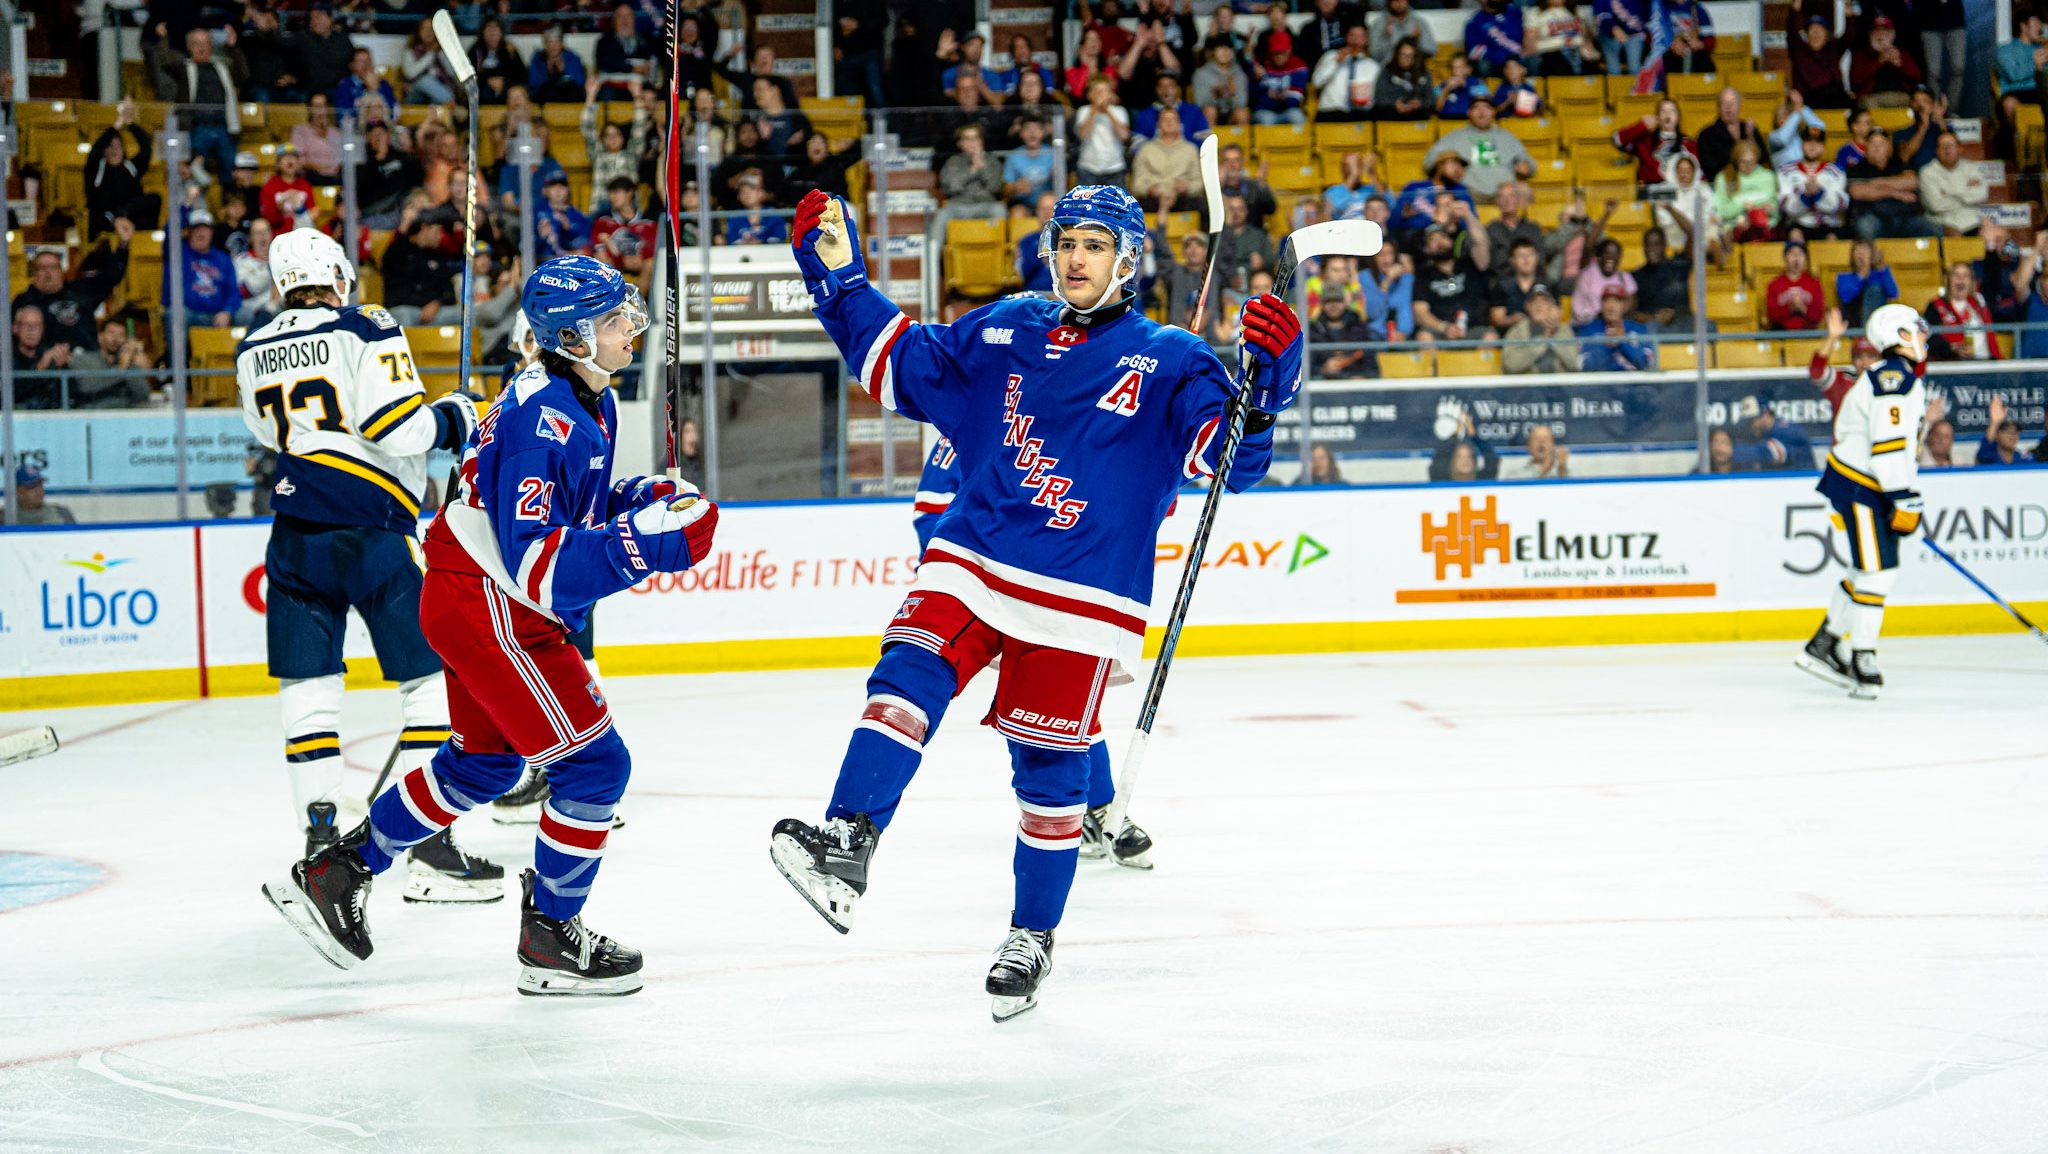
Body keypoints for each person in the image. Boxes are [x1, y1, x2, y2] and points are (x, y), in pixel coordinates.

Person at [771, 183, 1302, 1021]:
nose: (1075, 259)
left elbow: (1231, 463)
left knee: (1049, 771)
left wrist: (1267, 388)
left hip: (1082, 594)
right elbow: (903, 364)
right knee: (904, 675)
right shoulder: (1006, 326)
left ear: (1129, 260)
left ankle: (1031, 935)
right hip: (973, 554)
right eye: (1066, 243)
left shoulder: (1175, 358)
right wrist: (839, 281)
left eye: (1095, 245)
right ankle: (847, 839)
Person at [264, 253, 716, 996]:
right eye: (613, 321)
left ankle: (337, 871)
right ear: (571, 338)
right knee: (596, 768)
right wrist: (647, 547)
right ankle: (550, 938)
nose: (631, 330)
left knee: (486, 763)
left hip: (468, 595)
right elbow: (539, 565)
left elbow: (569, 506)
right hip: (494, 605)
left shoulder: (582, 397)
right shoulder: (545, 419)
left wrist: (635, 497)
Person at [235, 227, 505, 911]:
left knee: (308, 691)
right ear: (337, 274)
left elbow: (267, 434)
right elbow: (397, 426)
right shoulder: (366, 324)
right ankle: (428, 844)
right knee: (431, 684)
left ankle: (321, 841)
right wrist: (455, 417)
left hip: (293, 534)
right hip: (372, 532)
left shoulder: (251, 344)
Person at [1797, 303, 1928, 697]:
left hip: (1861, 484)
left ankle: (1824, 645)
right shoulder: (1894, 381)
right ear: (1901, 335)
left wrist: (1900, 495)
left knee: (1865, 569)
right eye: (1917, 329)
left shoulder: (1894, 377)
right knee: (1879, 573)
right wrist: (1904, 499)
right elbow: (1887, 450)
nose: (1924, 336)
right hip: (1863, 487)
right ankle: (1862, 656)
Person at [1425, 93, 1535, 202]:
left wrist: (1527, 167)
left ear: (1494, 112)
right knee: (1449, 194)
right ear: (1469, 113)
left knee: (1524, 189)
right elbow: (1429, 160)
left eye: (1487, 107)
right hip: (1470, 191)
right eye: (1476, 107)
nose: (1481, 112)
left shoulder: (1507, 136)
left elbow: (1529, 162)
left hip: (1505, 191)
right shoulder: (1455, 136)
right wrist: (1445, 167)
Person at [85, 99, 159, 237]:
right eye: (110, 146)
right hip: (105, 220)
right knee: (98, 217)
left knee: (154, 199)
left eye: (118, 146)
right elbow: (95, 151)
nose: (114, 150)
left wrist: (130, 123)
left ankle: (144, 238)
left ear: (123, 150)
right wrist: (117, 125)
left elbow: (146, 148)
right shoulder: (96, 168)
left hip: (128, 216)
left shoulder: (131, 167)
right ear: (104, 150)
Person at [1412, 218, 1493, 343]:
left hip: (1473, 329)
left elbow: (1480, 241)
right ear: (1427, 249)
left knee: (1490, 337)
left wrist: (1466, 214)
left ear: (1452, 241)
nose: (1440, 242)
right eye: (1433, 240)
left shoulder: (1470, 264)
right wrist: (1444, 327)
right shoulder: (1423, 275)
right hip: (1440, 331)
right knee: (1424, 337)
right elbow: (1420, 312)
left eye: (1443, 237)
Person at [1846, 132, 1937, 242]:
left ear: (1889, 148)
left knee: (1934, 228)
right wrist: (1896, 193)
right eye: (1872, 144)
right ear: (1866, 148)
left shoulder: (1898, 163)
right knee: (1865, 226)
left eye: (1881, 144)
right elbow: (1857, 191)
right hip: (1875, 218)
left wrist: (1874, 183)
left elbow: (1912, 182)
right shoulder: (1856, 168)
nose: (1877, 147)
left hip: (1906, 217)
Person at [1776, 125, 1849, 238]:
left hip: (1829, 224)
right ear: (1801, 144)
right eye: (1808, 141)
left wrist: (1819, 193)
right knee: (1795, 235)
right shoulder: (1786, 171)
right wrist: (1804, 196)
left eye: (1817, 142)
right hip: (1798, 224)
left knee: (1832, 238)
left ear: (1823, 146)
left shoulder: (1836, 171)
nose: (1812, 145)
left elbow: (1840, 205)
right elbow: (1786, 208)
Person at [1129, 108, 1203, 213]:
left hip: (1182, 198)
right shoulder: (1145, 149)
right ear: (1158, 125)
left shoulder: (1190, 149)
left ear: (1179, 124)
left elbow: (1199, 183)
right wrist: (1149, 189)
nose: (1169, 122)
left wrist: (1187, 187)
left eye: (1173, 119)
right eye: (1165, 119)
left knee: (1200, 205)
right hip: (1152, 198)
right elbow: (1137, 184)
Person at [1811, 307, 1883, 414]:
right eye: (1859, 357)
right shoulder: (1842, 380)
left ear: (1880, 359)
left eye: (1870, 357)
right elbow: (1816, 371)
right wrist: (1832, 338)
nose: (1865, 363)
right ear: (1853, 360)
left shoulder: (1889, 382)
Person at [1612, 99, 1697, 189]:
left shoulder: (1689, 143)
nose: (1667, 114)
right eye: (1663, 111)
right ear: (1657, 117)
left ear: (1678, 117)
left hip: (1681, 191)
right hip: (1651, 191)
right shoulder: (1645, 141)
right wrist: (1641, 125)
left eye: (1672, 111)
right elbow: (1618, 140)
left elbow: (1698, 173)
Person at [70, 318, 154, 409]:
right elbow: (88, 386)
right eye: (111, 333)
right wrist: (121, 368)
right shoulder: (82, 359)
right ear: (100, 337)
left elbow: (143, 394)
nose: (116, 339)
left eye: (121, 335)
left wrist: (132, 362)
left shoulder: (128, 362)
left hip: (124, 413)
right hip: (93, 413)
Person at [1925, 262, 2000, 360]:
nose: (1961, 279)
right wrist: (1951, 347)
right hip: (1955, 364)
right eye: (1956, 275)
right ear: (1948, 281)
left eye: (1965, 275)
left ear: (1971, 281)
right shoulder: (1936, 306)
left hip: (1988, 362)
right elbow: (1929, 336)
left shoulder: (1981, 302)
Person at [1918, 133, 1988, 236]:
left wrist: (1948, 193)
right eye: (1943, 146)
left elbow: (1981, 195)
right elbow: (1936, 205)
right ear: (1937, 151)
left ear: (1959, 149)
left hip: (1972, 222)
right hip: (1942, 225)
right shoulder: (1927, 172)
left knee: (1997, 235)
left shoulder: (1972, 168)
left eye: (1951, 145)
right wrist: (1966, 194)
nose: (1947, 150)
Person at [1576, 285, 1656, 371]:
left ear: (1625, 306)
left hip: (1631, 378)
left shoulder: (1638, 329)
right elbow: (1586, 366)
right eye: (1606, 301)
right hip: (1601, 379)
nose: (1611, 306)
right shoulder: (1589, 330)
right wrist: (1606, 346)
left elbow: (1645, 364)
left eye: (1617, 301)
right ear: (1601, 305)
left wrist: (1623, 342)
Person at [1502, 285, 1578, 373]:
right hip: (1530, 381)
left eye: (1544, 301)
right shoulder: (1517, 331)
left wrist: (1555, 335)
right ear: (1527, 306)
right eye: (1534, 302)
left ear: (1552, 306)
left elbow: (1574, 364)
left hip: (1558, 381)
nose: (1539, 305)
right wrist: (1543, 340)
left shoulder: (1563, 330)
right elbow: (1510, 366)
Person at [1311, 23, 1379, 122]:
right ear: (1346, 37)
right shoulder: (1330, 56)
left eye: (1360, 36)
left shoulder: (1372, 66)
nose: (1355, 40)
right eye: (1352, 35)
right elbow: (1317, 82)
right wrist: (1335, 62)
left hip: (1359, 113)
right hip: (1330, 111)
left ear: (1366, 39)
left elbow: (1374, 96)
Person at [1714, 140, 1779, 243]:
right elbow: (1722, 211)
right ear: (1736, 160)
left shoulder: (1768, 177)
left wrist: (1770, 210)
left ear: (1757, 159)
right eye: (1743, 162)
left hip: (1765, 228)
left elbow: (1776, 213)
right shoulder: (1724, 178)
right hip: (1733, 229)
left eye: (1752, 161)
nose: (1748, 166)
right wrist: (1742, 206)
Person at [1728, 394, 1815, 471]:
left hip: (1804, 481)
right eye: (1747, 422)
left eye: (1752, 420)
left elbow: (1766, 453)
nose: (1750, 425)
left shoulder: (1787, 431)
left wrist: (1728, 450)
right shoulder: (1763, 433)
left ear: (1765, 413)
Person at [1631, 228, 1693, 332]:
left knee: (1709, 326)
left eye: (1656, 244)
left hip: (1681, 325)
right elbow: (1631, 313)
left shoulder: (1679, 266)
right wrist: (1654, 318)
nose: (1651, 249)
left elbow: (1691, 232)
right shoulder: (1635, 276)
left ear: (1665, 245)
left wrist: (1670, 211)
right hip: (1652, 328)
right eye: (1648, 244)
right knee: (1651, 327)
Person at [1787, 10, 1851, 108]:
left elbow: (1848, 37)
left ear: (1826, 35)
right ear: (1807, 34)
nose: (1816, 34)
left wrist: (1849, 17)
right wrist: (1794, 11)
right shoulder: (1800, 52)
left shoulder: (1832, 51)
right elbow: (1792, 32)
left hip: (1834, 98)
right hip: (1810, 100)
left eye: (1820, 30)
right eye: (1812, 30)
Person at [1489, 236, 1553, 333]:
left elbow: (1555, 313)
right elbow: (1496, 318)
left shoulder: (1547, 285)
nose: (1526, 259)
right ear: (1512, 260)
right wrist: (1512, 320)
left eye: (1530, 254)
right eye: (1521, 255)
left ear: (1537, 257)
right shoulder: (1502, 286)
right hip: (1510, 335)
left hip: (1542, 334)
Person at [1696, 88, 1761, 183]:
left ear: (1740, 105)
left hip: (1753, 183)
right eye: (1724, 103)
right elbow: (1710, 170)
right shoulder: (1706, 135)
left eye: (1733, 103)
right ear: (1718, 108)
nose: (1728, 107)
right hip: (1724, 184)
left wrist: (1750, 137)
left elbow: (1762, 161)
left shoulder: (1749, 129)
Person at [1570, 237, 1634, 326]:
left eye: (1615, 254)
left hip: (1614, 323)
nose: (1610, 257)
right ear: (1599, 256)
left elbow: (1631, 302)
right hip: (1585, 324)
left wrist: (1615, 314)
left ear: (1620, 257)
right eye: (1607, 253)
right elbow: (1579, 308)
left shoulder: (1624, 277)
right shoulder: (1587, 274)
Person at [1310, 291, 1374, 378]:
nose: (1333, 305)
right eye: (1328, 301)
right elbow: (1305, 367)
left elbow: (1372, 366)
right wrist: (1323, 370)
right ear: (1322, 304)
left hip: (1355, 383)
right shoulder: (1313, 331)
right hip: (1324, 384)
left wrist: (1363, 376)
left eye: (1337, 300)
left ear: (1345, 303)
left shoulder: (1359, 329)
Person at [1834, 242, 1899, 327]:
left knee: (1875, 288)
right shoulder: (1844, 277)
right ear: (1852, 256)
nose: (1861, 255)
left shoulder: (1880, 275)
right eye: (1858, 252)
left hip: (1878, 322)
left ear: (1872, 256)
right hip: (1854, 321)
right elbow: (1846, 297)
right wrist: (1862, 275)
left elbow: (1893, 293)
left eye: (1865, 251)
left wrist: (1882, 268)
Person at [1251, 31, 1308, 125]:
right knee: (1267, 119)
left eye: (1282, 53)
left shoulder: (1299, 66)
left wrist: (1273, 96)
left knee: (1296, 116)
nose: (1279, 57)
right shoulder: (1261, 64)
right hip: (1265, 111)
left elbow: (1295, 101)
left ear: (1289, 50)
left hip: (1288, 110)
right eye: (1275, 53)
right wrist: (1257, 80)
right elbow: (1254, 99)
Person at [1766, 240, 1825, 331]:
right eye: (1792, 254)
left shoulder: (1814, 284)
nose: (1796, 258)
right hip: (1781, 333)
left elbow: (1819, 315)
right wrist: (1789, 309)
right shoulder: (1774, 284)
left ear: (1806, 259)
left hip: (1808, 333)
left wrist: (1803, 308)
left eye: (1801, 254)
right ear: (1785, 257)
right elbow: (1771, 316)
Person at [1373, 37, 1435, 121]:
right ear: (1397, 54)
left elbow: (1431, 99)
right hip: (1391, 114)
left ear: (1415, 57)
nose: (1405, 59)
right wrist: (1394, 103)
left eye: (1409, 56)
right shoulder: (1387, 71)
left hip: (1417, 115)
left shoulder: (1423, 72)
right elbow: (1379, 97)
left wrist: (1420, 103)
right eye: (1402, 55)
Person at [1429, 408, 1499, 481]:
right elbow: (1437, 460)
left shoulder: (1484, 479)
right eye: (1460, 457)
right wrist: (1454, 436)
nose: (1465, 460)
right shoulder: (1441, 479)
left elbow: (1492, 460)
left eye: (1469, 457)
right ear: (1452, 462)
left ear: (1475, 462)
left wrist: (1474, 436)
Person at [527, 25, 588, 105]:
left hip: (569, 97)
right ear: (545, 44)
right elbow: (533, 83)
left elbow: (580, 82)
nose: (553, 46)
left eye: (556, 42)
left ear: (562, 43)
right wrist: (548, 71)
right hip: (545, 98)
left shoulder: (572, 58)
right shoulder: (537, 59)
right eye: (549, 42)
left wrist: (564, 70)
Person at [1463, 0, 1525, 78]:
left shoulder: (1516, 12)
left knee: (1533, 60)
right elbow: (1473, 51)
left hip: (1518, 59)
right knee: (1483, 65)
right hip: (1494, 64)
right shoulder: (1474, 21)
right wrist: (1500, 56)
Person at [1975, 398, 2038, 467]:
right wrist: (1994, 423)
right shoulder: (1989, 457)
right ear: (1997, 435)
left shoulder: (2026, 458)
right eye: (2007, 431)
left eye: (2016, 431)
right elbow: (1985, 449)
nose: (2012, 435)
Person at [1372, 1, 1436, 66]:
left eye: (1402, 1)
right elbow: (1374, 54)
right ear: (1389, 2)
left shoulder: (1419, 22)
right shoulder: (1379, 23)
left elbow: (1431, 50)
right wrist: (1386, 38)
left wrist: (1416, 41)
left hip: (1415, 68)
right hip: (1388, 67)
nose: (1399, 3)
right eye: (1395, 1)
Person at [1596, 0, 1648, 77]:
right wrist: (1612, 28)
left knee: (1634, 68)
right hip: (1610, 34)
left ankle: (1635, 84)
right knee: (1613, 70)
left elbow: (1650, 12)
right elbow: (1601, 14)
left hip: (1634, 34)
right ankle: (1614, 83)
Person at [8, 466, 75, 524]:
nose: (38, 490)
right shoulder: (5, 518)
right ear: (17, 491)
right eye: (31, 486)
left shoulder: (61, 513)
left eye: (40, 484)